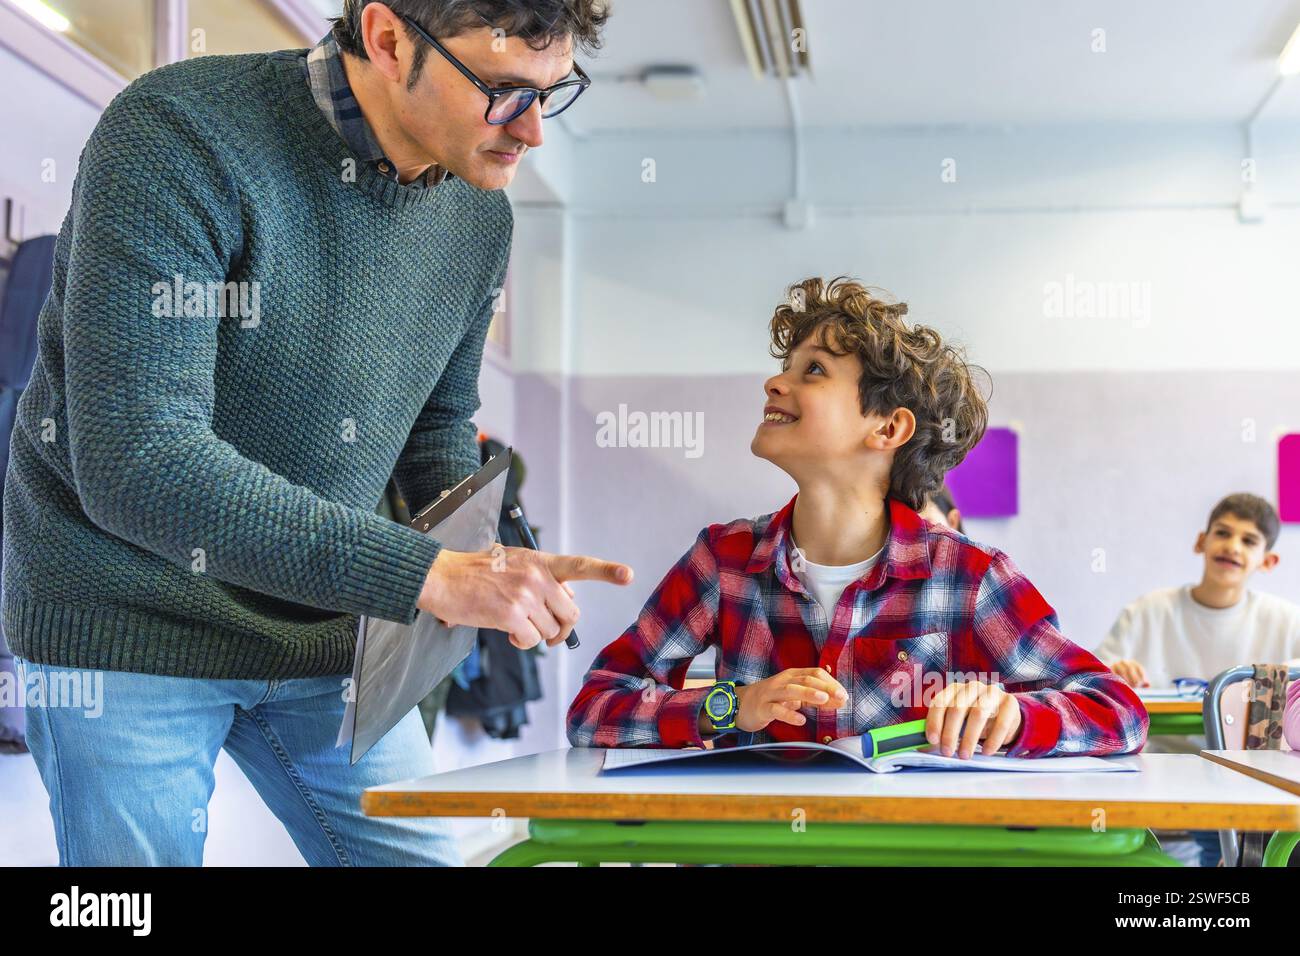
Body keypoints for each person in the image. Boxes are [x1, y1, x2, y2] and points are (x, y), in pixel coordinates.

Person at [3, 0, 627, 867]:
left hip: (327, 638)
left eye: (551, 94)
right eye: (502, 91)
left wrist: (486, 556)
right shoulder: (179, 135)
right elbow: (139, 462)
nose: (532, 134)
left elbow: (435, 431)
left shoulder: (481, 220)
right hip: (127, 619)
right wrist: (427, 573)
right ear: (386, 37)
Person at [567, 276, 1146, 760]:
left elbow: (1119, 711)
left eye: (813, 371)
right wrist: (728, 705)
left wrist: (1014, 715)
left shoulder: (970, 577)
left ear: (888, 429)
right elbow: (593, 708)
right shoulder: (723, 560)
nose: (775, 382)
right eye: (786, 367)